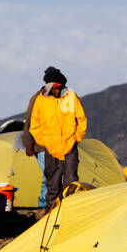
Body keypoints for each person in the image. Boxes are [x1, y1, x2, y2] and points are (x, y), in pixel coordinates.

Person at [27, 66, 87, 209]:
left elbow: (82, 119)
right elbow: (34, 124)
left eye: (60, 87)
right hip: (51, 149)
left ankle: (69, 212)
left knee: (71, 182)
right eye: (55, 87)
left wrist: (76, 138)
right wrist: (45, 141)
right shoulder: (41, 100)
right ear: (48, 86)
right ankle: (50, 213)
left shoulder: (71, 97)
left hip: (69, 148)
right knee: (52, 183)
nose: (57, 90)